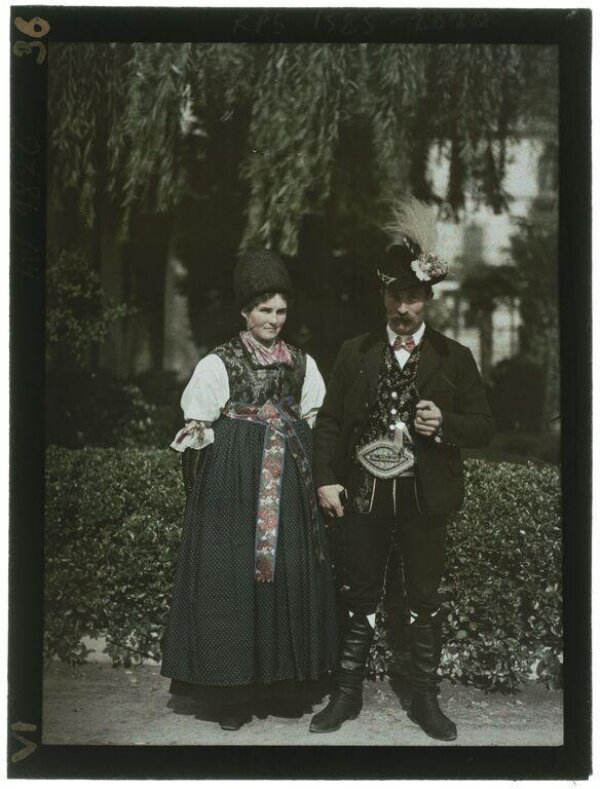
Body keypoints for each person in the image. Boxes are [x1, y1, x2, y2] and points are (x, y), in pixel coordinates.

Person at [309, 196, 494, 741]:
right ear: (383, 296)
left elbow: (485, 426)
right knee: (359, 592)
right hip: (363, 492)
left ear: (427, 300)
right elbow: (329, 422)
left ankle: (426, 700)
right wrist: (324, 477)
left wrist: (448, 423)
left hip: (424, 496)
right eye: (395, 296)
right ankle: (346, 696)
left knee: (424, 596)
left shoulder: (453, 356)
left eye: (413, 297)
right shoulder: (354, 352)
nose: (403, 308)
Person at [161, 249, 338, 731]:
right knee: (232, 580)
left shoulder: (303, 363)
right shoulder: (219, 363)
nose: (274, 320)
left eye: (281, 311)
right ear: (245, 312)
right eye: (264, 310)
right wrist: (209, 484)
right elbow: (197, 426)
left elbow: (318, 418)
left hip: (292, 487)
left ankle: (283, 684)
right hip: (234, 483)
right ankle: (231, 693)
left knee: (285, 574)